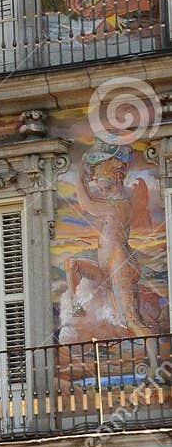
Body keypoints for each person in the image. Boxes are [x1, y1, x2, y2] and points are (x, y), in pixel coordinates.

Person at [60, 143, 164, 341]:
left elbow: (85, 203)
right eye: (100, 188)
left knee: (131, 320)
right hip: (106, 265)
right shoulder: (112, 204)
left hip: (120, 264)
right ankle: (77, 307)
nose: (103, 192)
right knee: (72, 264)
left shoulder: (120, 206)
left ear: (118, 183)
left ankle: (153, 362)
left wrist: (81, 170)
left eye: (107, 187)